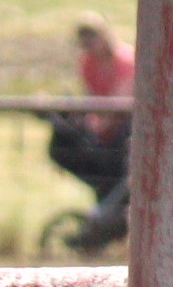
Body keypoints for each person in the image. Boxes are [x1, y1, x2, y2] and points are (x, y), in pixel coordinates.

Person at [45, 11, 132, 206]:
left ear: (103, 36)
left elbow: (119, 105)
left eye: (91, 40)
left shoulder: (125, 62)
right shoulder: (87, 63)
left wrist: (95, 126)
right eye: (84, 43)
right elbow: (89, 98)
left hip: (123, 131)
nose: (88, 48)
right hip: (103, 126)